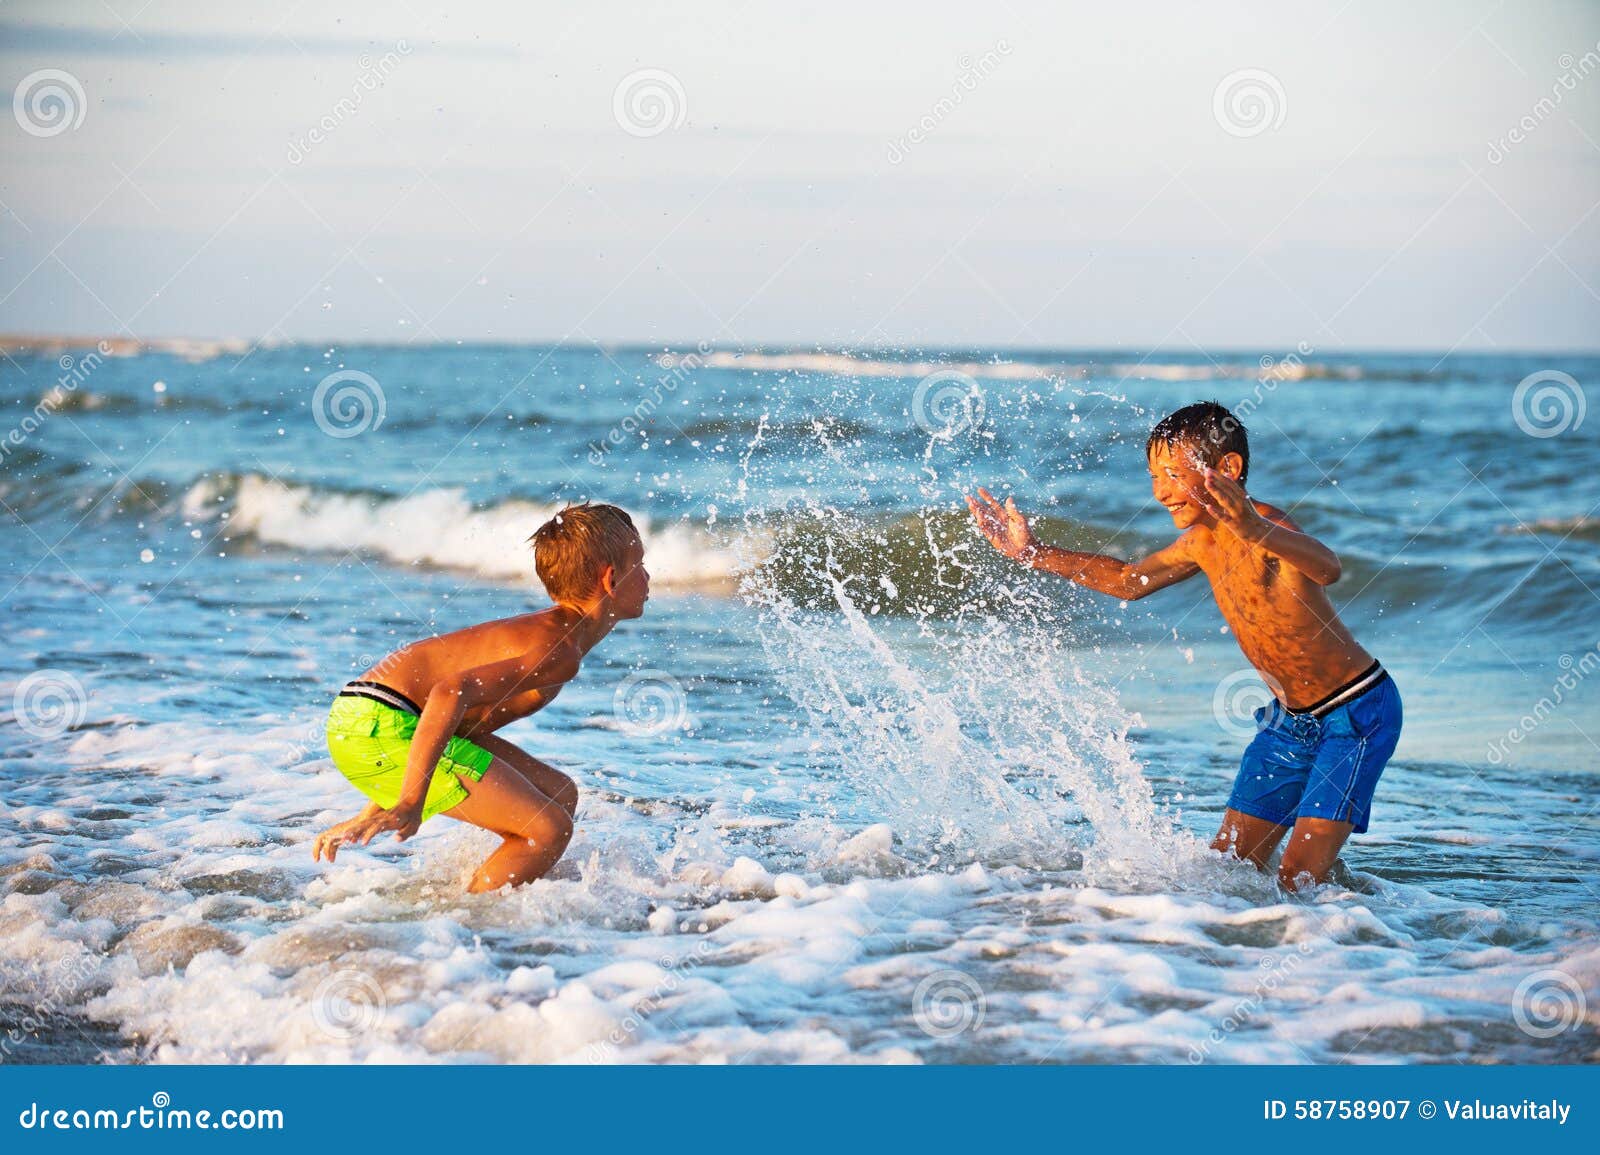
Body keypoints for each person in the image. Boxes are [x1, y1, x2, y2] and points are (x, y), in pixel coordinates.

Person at [967, 401, 1401, 891]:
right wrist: (1033, 553)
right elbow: (1130, 581)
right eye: (1154, 476)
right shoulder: (1200, 541)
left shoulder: (1267, 524)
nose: (1160, 491)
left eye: (1173, 474)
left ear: (1227, 470)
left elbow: (1329, 568)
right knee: (1226, 871)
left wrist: (1258, 531)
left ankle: (1357, 939)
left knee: (1296, 881)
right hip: (1290, 722)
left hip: (1356, 712)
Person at [310, 503, 649, 892]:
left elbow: (460, 728)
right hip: (378, 722)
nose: (648, 576)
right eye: (638, 566)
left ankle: (513, 898)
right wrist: (408, 801)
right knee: (547, 829)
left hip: (369, 719)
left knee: (557, 795)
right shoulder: (559, 652)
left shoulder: (557, 640)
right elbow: (449, 693)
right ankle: (472, 917)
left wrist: (381, 801)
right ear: (610, 579)